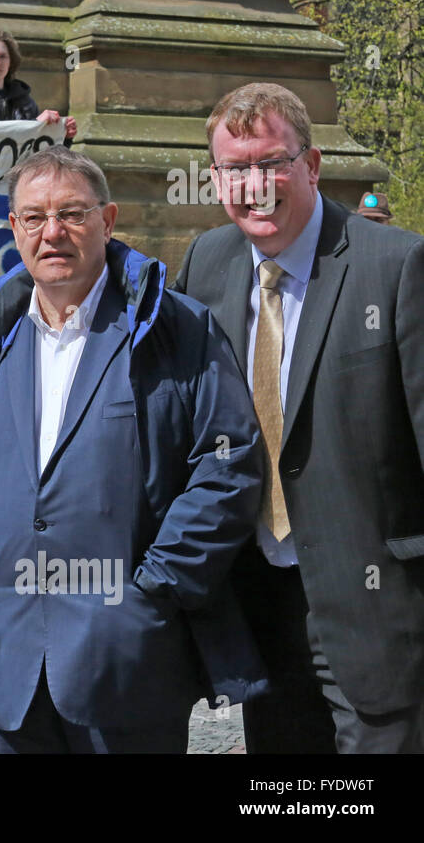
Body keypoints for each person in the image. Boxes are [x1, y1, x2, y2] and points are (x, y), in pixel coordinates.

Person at [0, 145, 267, 752]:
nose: (52, 231)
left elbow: (228, 464)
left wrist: (157, 587)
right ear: (14, 229)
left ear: (108, 221)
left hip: (129, 659)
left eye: (72, 214)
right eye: (34, 217)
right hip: (11, 661)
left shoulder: (176, 327)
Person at [174, 82, 424, 753]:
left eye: (271, 162)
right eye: (235, 168)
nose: (254, 184)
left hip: (378, 608)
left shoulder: (397, 266)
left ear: (310, 166)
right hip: (258, 605)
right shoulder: (207, 263)